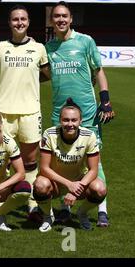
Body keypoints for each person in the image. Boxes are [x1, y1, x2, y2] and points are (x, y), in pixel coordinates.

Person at [0, 5, 50, 222]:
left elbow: (47, 74)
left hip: (30, 112)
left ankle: (32, 206)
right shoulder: (0, 47)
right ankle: (1, 204)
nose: (19, 22)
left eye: (23, 19)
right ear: (9, 23)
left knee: (29, 161)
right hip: (4, 113)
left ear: (28, 22)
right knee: (3, 160)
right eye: (15, 19)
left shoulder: (39, 49)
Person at [44, 1, 115, 227]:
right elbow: (45, 75)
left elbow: (99, 71)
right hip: (59, 112)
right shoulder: (48, 48)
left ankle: (101, 209)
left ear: (71, 18)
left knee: (95, 160)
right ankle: (66, 207)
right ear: (51, 20)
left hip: (87, 112)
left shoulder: (85, 41)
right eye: (56, 16)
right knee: (63, 159)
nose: (61, 19)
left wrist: (105, 101)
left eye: (64, 15)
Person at [33, 98, 107, 232]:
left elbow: (93, 170)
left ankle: (82, 213)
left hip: (78, 182)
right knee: (40, 185)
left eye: (74, 120)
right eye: (66, 120)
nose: (70, 124)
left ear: (81, 121)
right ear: (60, 120)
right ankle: (48, 216)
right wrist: (69, 184)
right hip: (54, 183)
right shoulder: (49, 134)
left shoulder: (89, 136)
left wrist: (76, 188)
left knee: (100, 188)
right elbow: (44, 168)